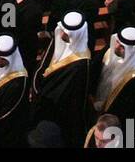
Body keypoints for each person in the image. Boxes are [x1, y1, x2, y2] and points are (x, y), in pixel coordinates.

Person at [30, 10, 91, 147]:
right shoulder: (58, 38)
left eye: (67, 33)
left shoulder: (82, 64)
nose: (62, 34)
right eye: (62, 30)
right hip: (40, 97)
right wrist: (35, 88)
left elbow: (74, 98)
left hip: (55, 110)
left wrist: (42, 95)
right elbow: (42, 66)